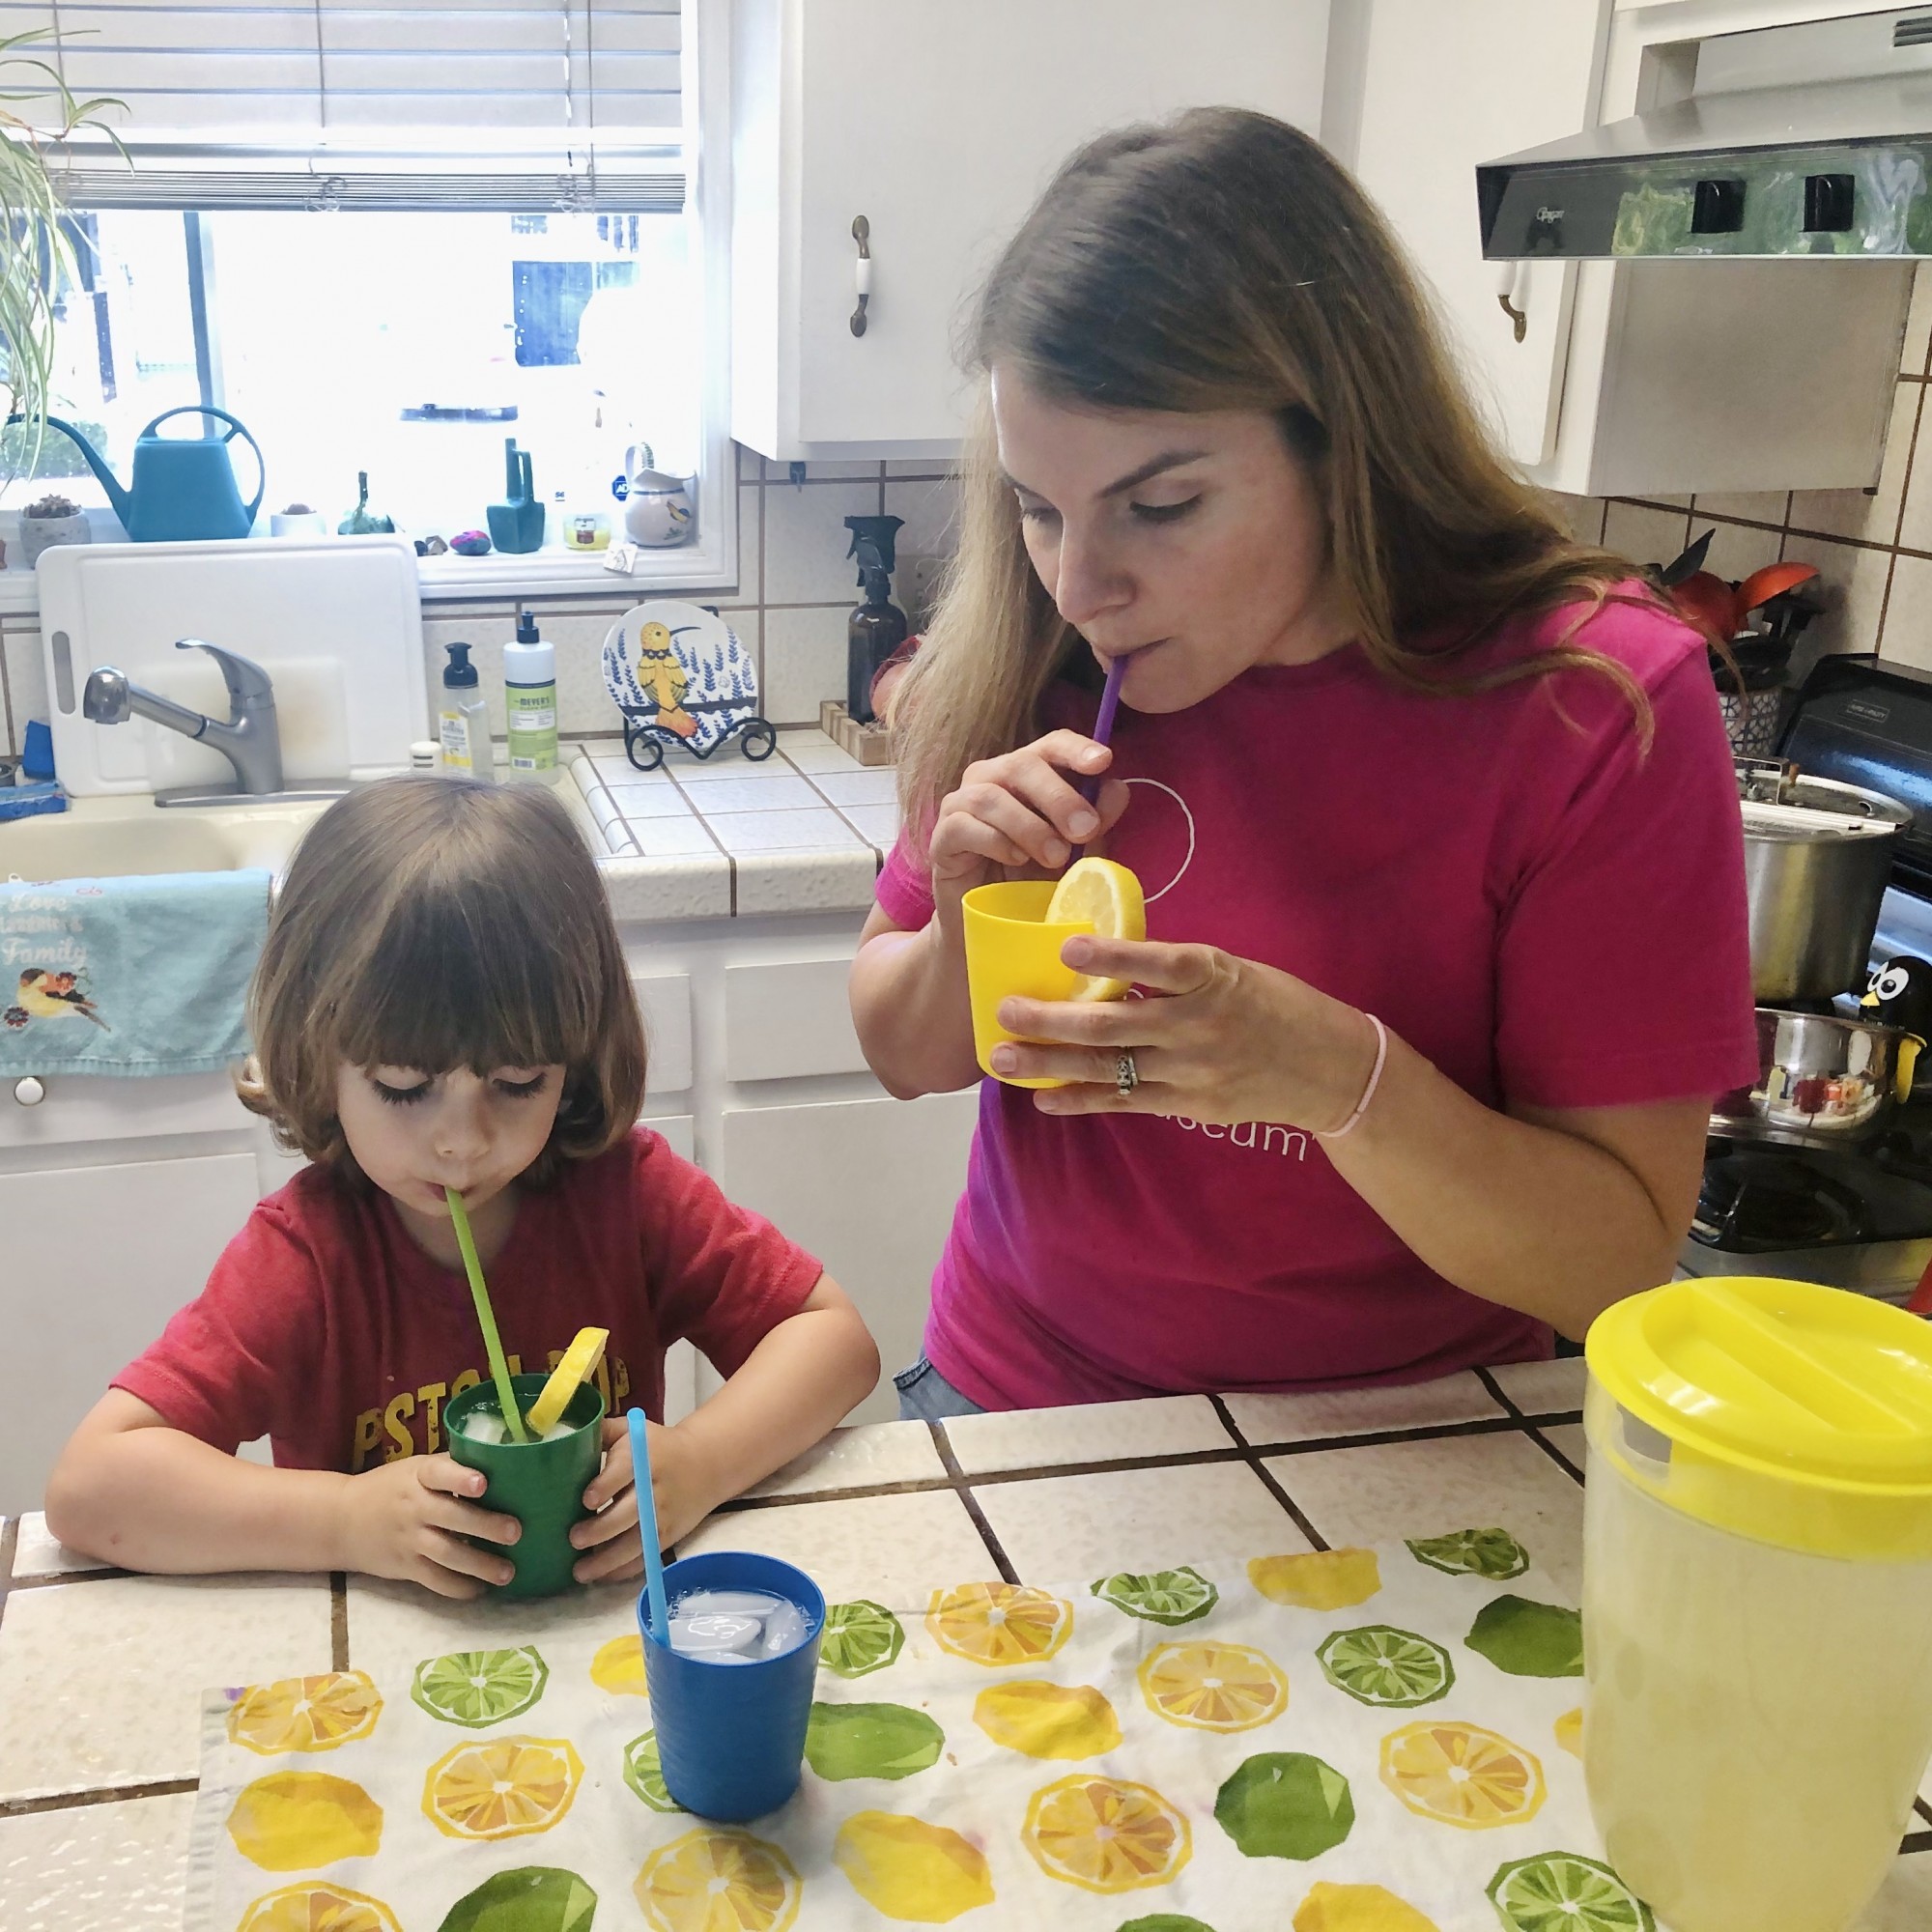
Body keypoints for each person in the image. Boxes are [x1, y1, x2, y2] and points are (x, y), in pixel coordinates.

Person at [849, 108, 1757, 1420]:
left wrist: (1340, 1079)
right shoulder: (1029, 646)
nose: (1085, 583)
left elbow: (1616, 1267)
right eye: (1041, 508)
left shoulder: (1593, 708)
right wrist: (956, 927)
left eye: (1162, 507)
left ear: (1344, 442)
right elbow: (905, 1050)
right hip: (1017, 1397)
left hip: (1397, 1442)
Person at [47, 776, 879, 1595]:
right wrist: (344, 1520)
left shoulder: (624, 1196)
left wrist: (702, 1461)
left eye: (518, 1083)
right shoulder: (306, 1258)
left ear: (578, 1056)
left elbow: (834, 1341)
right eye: (404, 1088)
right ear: (315, 1055)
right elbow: (92, 1490)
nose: (462, 1144)